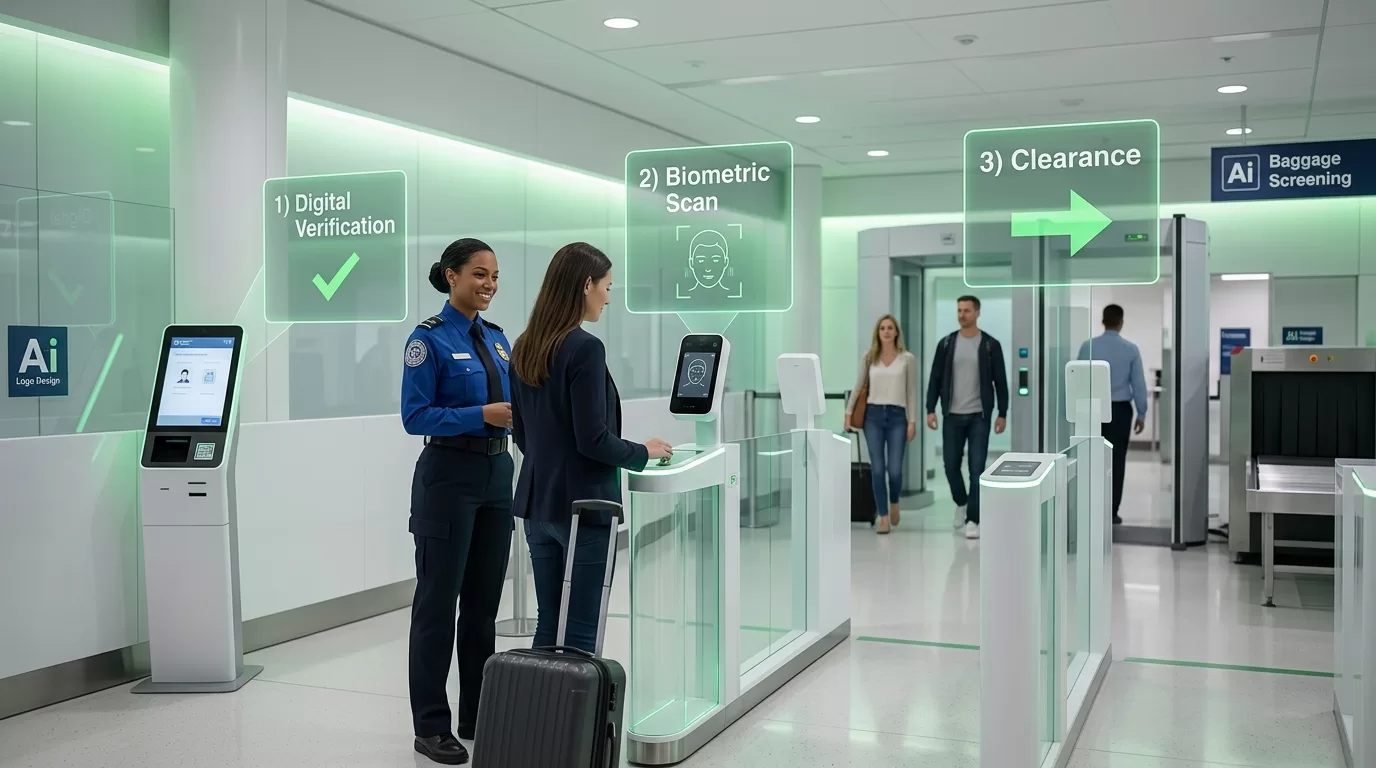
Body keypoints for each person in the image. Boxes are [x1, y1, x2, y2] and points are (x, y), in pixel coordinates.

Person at [509, 242, 674, 653]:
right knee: (582, 629)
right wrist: (643, 452)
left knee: (549, 623)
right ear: (586, 285)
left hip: (537, 507)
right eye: (607, 287)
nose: (608, 298)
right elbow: (593, 440)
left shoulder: (524, 345)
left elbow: (523, 437)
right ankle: (577, 717)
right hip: (585, 508)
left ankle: (543, 714)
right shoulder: (585, 348)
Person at [400, 237, 515, 766]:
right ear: (451, 276)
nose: (489, 285)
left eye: (494, 276)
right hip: (448, 476)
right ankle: (431, 725)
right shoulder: (428, 341)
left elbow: (517, 409)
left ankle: (477, 712)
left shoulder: (496, 339)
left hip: (496, 475)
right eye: (478, 275)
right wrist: (480, 416)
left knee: (483, 606)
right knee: (437, 605)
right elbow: (416, 417)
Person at [926, 295, 1009, 540]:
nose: (962, 315)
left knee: (976, 469)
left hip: (979, 417)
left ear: (977, 313)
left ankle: (974, 518)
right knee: (950, 466)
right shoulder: (947, 344)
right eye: (959, 310)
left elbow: (1000, 382)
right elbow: (935, 378)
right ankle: (961, 502)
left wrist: (1002, 413)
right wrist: (930, 408)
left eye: (967, 311)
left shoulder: (990, 345)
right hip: (952, 415)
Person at [845, 314, 918, 535]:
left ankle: (894, 501)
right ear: (878, 333)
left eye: (890, 328)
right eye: (882, 328)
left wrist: (912, 421)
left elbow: (911, 391)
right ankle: (883, 517)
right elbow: (858, 386)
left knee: (894, 470)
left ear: (896, 332)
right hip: (873, 417)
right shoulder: (869, 357)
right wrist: (848, 413)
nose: (886, 331)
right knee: (877, 469)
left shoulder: (907, 359)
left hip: (897, 416)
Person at [1078, 303, 1147, 526]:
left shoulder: (1087, 347)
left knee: (1092, 460)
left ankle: (1091, 507)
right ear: (1121, 322)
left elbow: (1078, 379)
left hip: (1092, 409)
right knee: (1117, 461)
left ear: (1102, 320)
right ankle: (1112, 511)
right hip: (1119, 412)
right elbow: (1138, 384)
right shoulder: (1131, 349)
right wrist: (1142, 413)